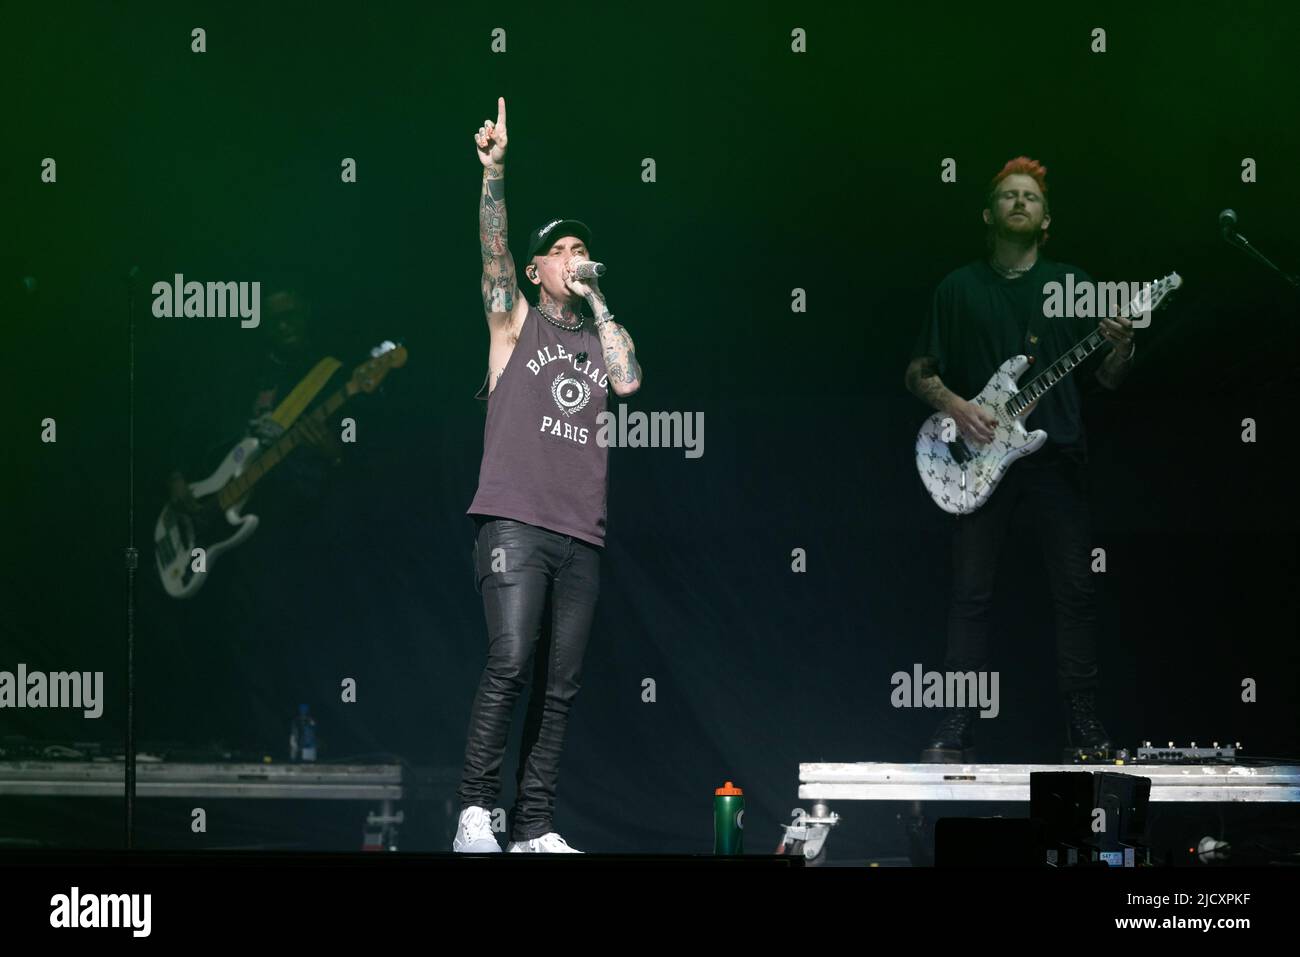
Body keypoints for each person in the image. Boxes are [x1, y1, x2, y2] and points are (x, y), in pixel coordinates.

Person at [453, 97, 642, 853]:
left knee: (560, 688)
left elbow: (627, 382)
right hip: (513, 520)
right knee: (511, 659)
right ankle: (474, 810)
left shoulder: (601, 338)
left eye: (579, 249)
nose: (572, 256)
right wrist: (494, 174)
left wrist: (598, 298)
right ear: (535, 269)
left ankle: (532, 824)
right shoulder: (513, 321)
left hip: (580, 534)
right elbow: (492, 253)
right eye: (559, 250)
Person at [904, 156, 1135, 761]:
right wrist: (957, 407)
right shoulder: (957, 288)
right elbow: (917, 372)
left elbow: (1107, 382)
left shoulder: (1072, 286)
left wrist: (1122, 346)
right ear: (988, 213)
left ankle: (1083, 727)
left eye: (1029, 197)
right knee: (970, 594)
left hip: (1055, 459)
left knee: (1076, 593)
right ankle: (955, 725)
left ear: (1046, 219)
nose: (1018, 203)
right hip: (979, 460)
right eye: (1008, 195)